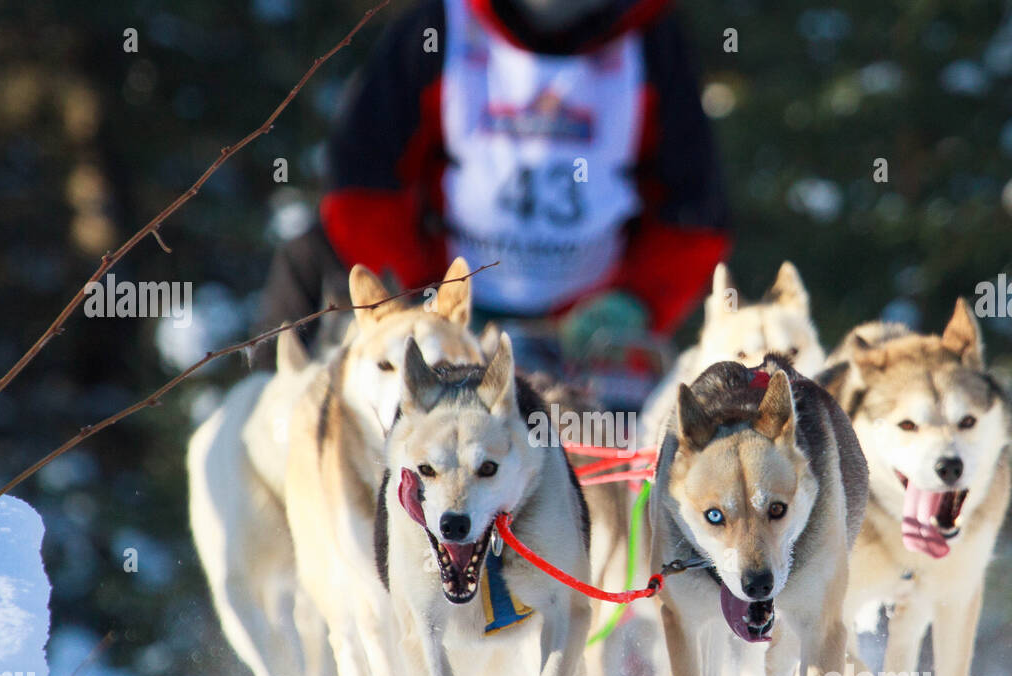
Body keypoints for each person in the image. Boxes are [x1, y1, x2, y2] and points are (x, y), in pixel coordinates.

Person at [260, 0, 730, 407]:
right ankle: (268, 432)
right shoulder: (436, 26)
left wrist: (637, 302)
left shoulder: (652, 40)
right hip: (442, 291)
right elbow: (362, 185)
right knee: (305, 260)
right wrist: (426, 293)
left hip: (594, 326)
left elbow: (695, 213)